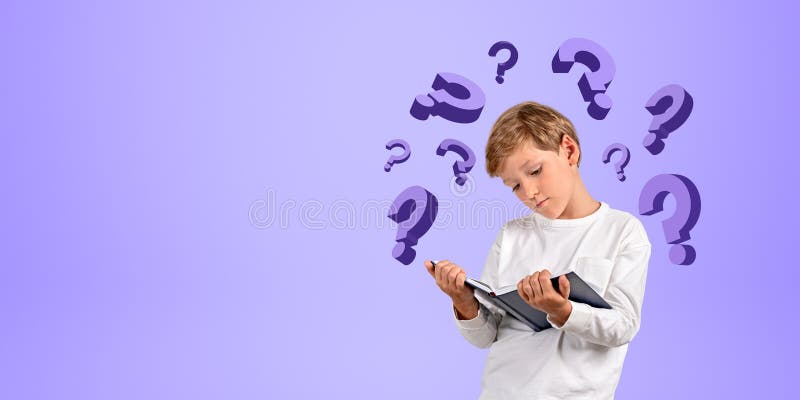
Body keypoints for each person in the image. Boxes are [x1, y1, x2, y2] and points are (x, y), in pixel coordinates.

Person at [424, 101, 652, 399]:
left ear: (569, 151)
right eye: (515, 186)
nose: (528, 192)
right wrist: (464, 301)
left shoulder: (622, 231)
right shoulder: (512, 235)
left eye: (534, 171)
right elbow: (487, 336)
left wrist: (562, 310)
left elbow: (623, 327)